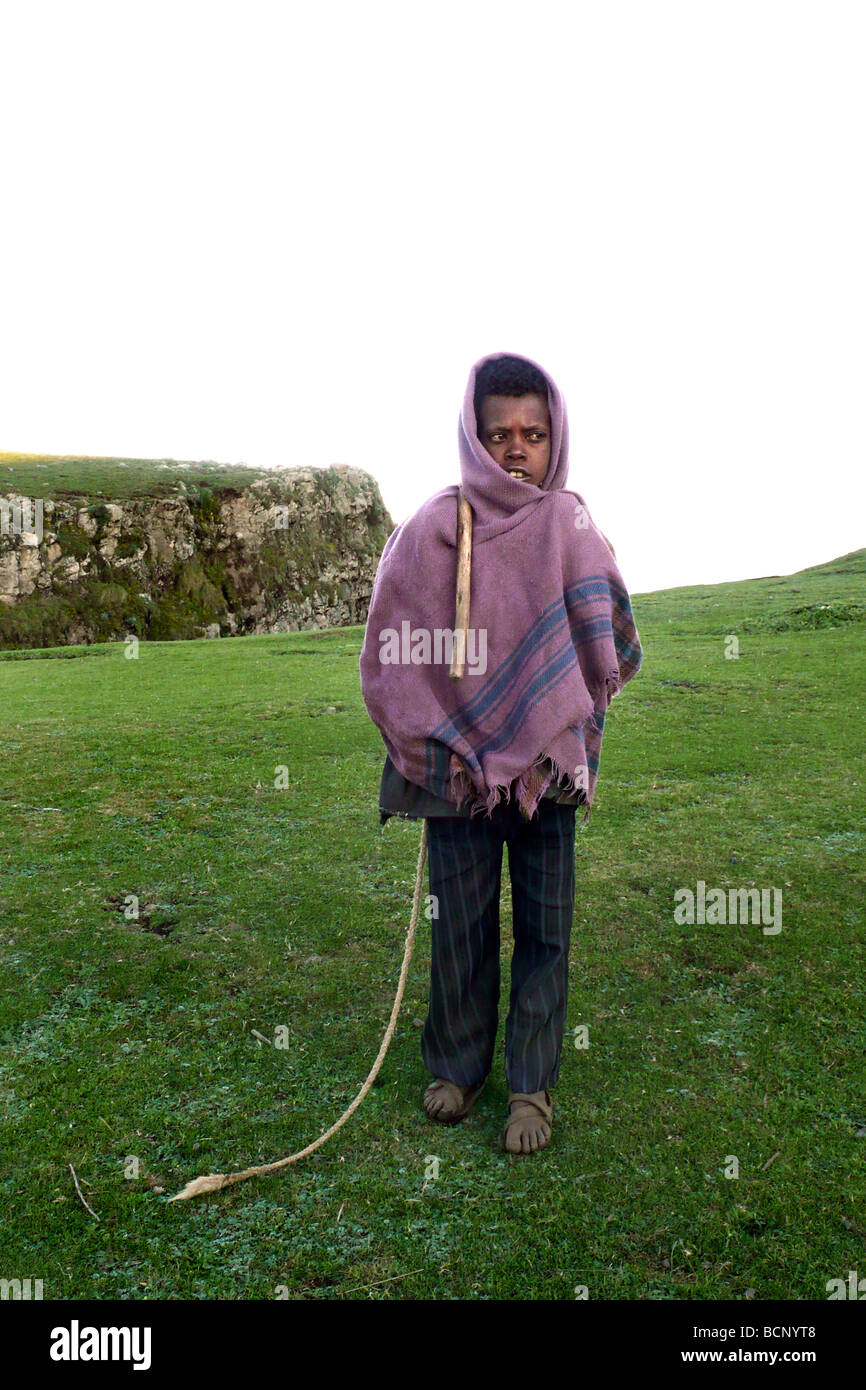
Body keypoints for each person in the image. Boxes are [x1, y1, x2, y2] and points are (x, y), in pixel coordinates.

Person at [359, 351, 642, 1154]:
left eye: (534, 433)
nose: (517, 449)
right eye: (499, 434)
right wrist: (435, 739)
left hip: (547, 772)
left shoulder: (571, 527)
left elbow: (606, 642)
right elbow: (389, 655)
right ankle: (456, 1066)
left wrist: (565, 723)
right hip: (457, 774)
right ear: (474, 439)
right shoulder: (433, 529)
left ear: (555, 440)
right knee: (460, 924)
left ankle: (531, 1087)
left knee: (546, 929)